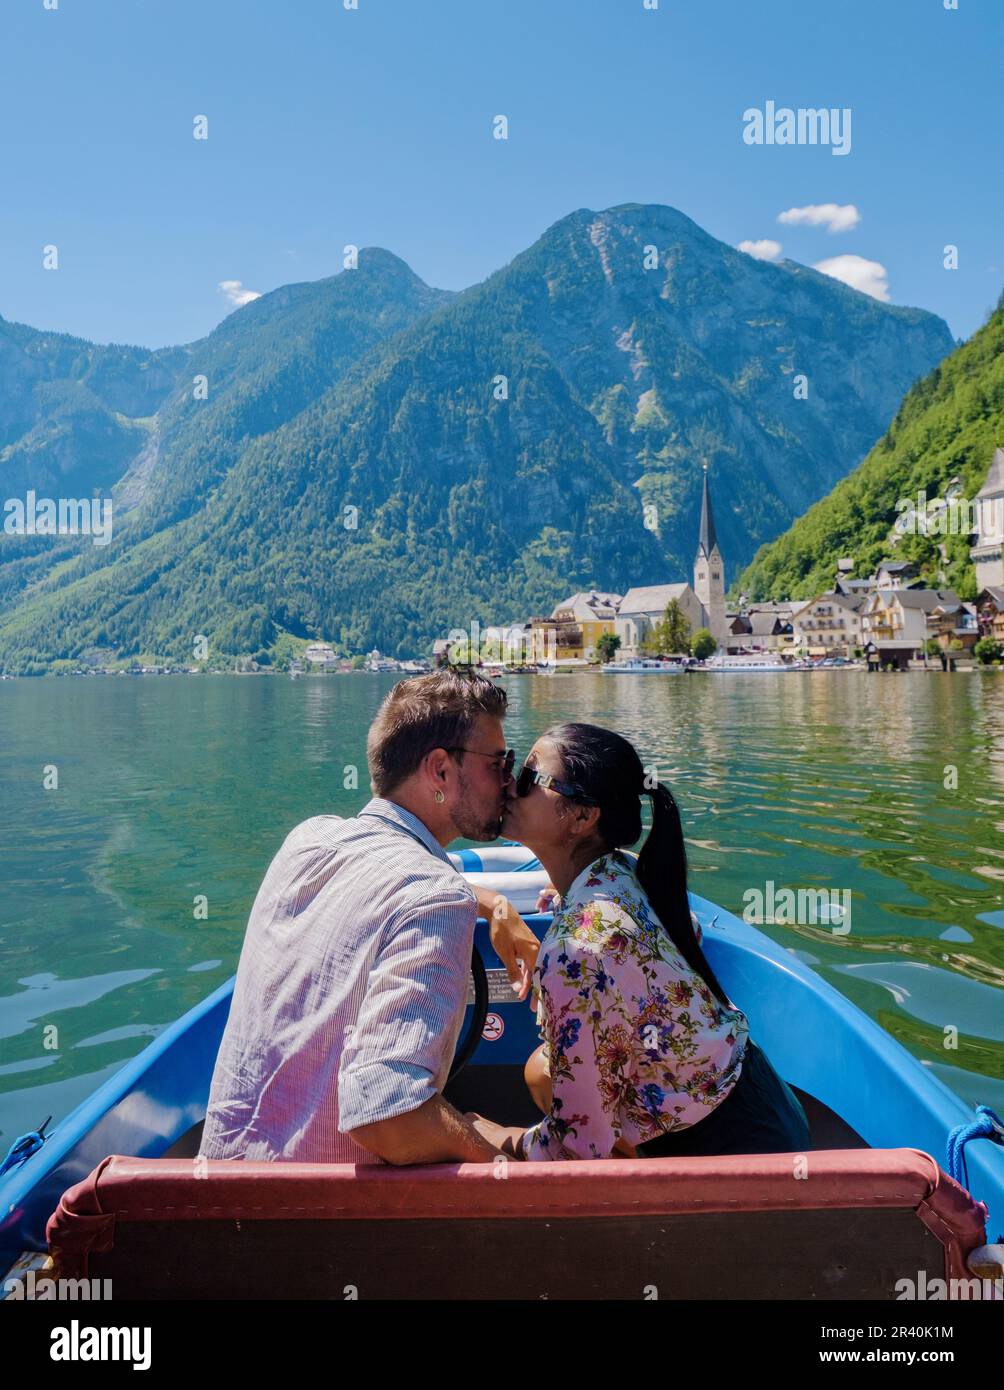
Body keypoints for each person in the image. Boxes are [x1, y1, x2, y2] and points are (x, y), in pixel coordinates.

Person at [199, 671, 539, 1166]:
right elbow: (386, 1117)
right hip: (315, 1225)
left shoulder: (308, 841)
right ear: (440, 771)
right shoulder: (436, 899)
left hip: (216, 1195)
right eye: (498, 762)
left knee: (462, 1123)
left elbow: (386, 876)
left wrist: (492, 902)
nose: (509, 781)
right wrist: (505, 1177)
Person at [466, 723, 810, 1161]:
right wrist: (568, 899)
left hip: (731, 1157)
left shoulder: (576, 949)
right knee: (541, 1070)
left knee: (528, 1096)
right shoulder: (624, 874)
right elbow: (680, 933)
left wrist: (489, 1137)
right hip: (768, 1104)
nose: (509, 784)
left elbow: (578, 1148)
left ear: (582, 817)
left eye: (532, 778)